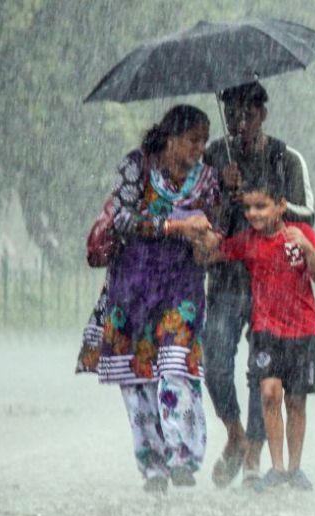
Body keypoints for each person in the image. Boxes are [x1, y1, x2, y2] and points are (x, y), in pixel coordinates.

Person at [95, 105, 219, 494]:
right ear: (171, 138)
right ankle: (152, 464)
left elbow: (213, 229)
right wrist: (176, 226)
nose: (200, 148)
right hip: (133, 286)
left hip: (180, 286)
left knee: (176, 365)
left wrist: (207, 241)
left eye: (204, 140)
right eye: (193, 140)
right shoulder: (136, 166)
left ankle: (183, 454)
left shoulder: (208, 179)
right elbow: (123, 219)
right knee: (137, 378)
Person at [204, 82, 315, 490]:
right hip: (228, 278)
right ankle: (234, 432)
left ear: (262, 114)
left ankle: (255, 449)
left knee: (261, 369)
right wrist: (220, 189)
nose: (240, 123)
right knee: (215, 359)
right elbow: (202, 219)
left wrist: (268, 208)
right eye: (232, 115)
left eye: (248, 114)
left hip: (272, 283)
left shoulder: (284, 157)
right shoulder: (214, 157)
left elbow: (307, 214)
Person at [196, 174, 315, 492]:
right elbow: (212, 255)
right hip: (266, 330)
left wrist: (308, 250)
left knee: (296, 401)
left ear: (281, 206)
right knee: (269, 392)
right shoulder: (248, 243)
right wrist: (203, 237)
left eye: (261, 206)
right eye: (249, 208)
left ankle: (295, 468)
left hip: (302, 330)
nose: (253, 214)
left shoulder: (301, 234)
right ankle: (277, 468)